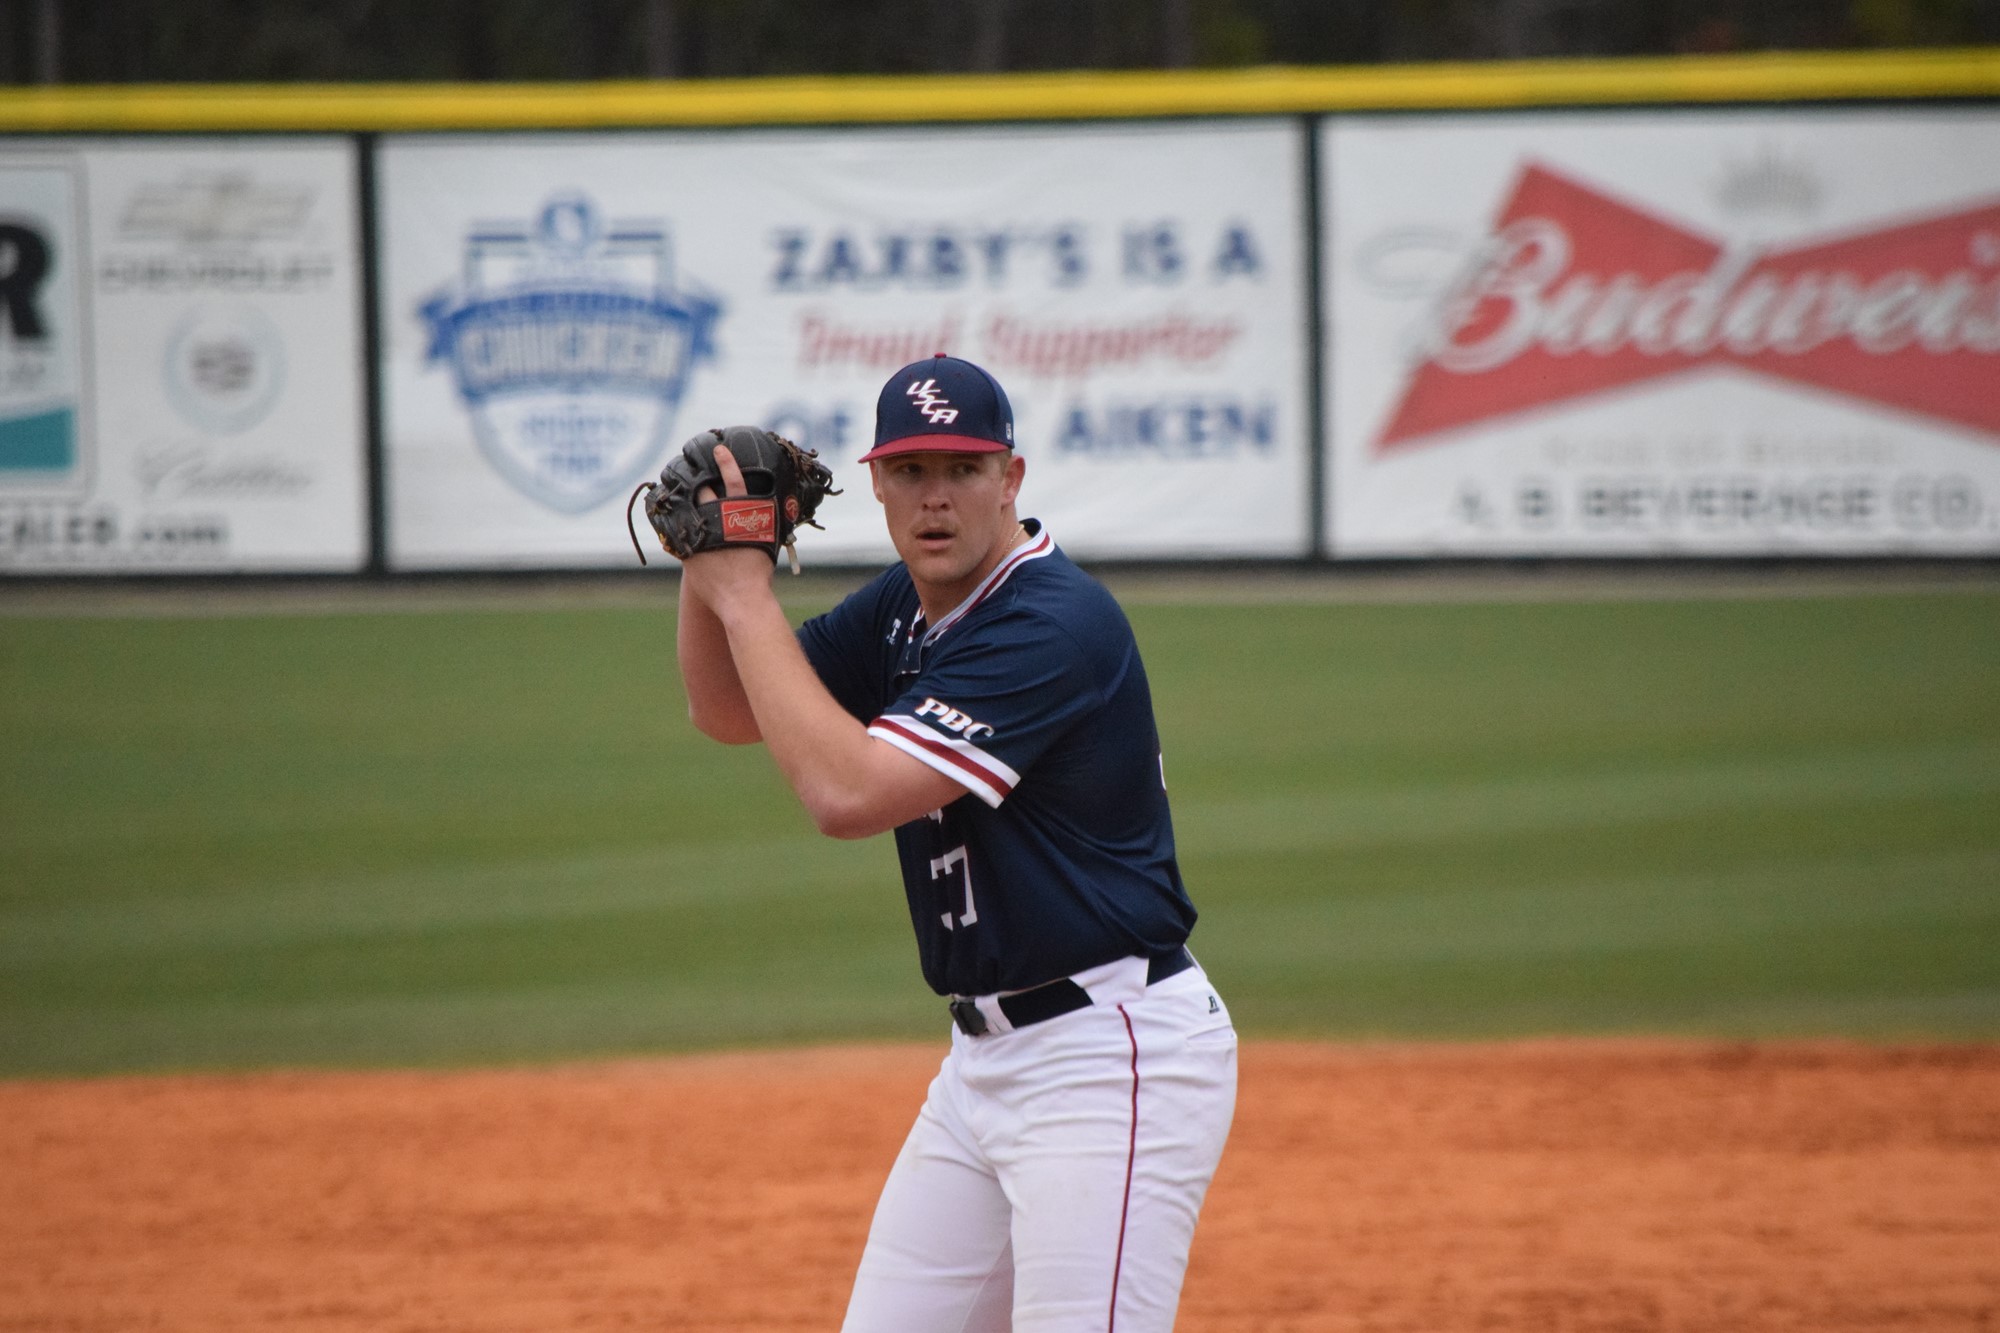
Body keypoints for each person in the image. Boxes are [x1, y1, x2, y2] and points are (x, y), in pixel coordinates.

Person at [672, 353, 1237, 1332]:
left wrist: (748, 593)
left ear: (1009, 478)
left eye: (962, 469)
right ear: (877, 482)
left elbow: (847, 794)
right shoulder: (905, 605)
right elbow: (726, 707)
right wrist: (707, 567)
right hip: (980, 1069)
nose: (934, 497)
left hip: (1106, 1060)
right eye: (910, 470)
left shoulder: (1049, 622)